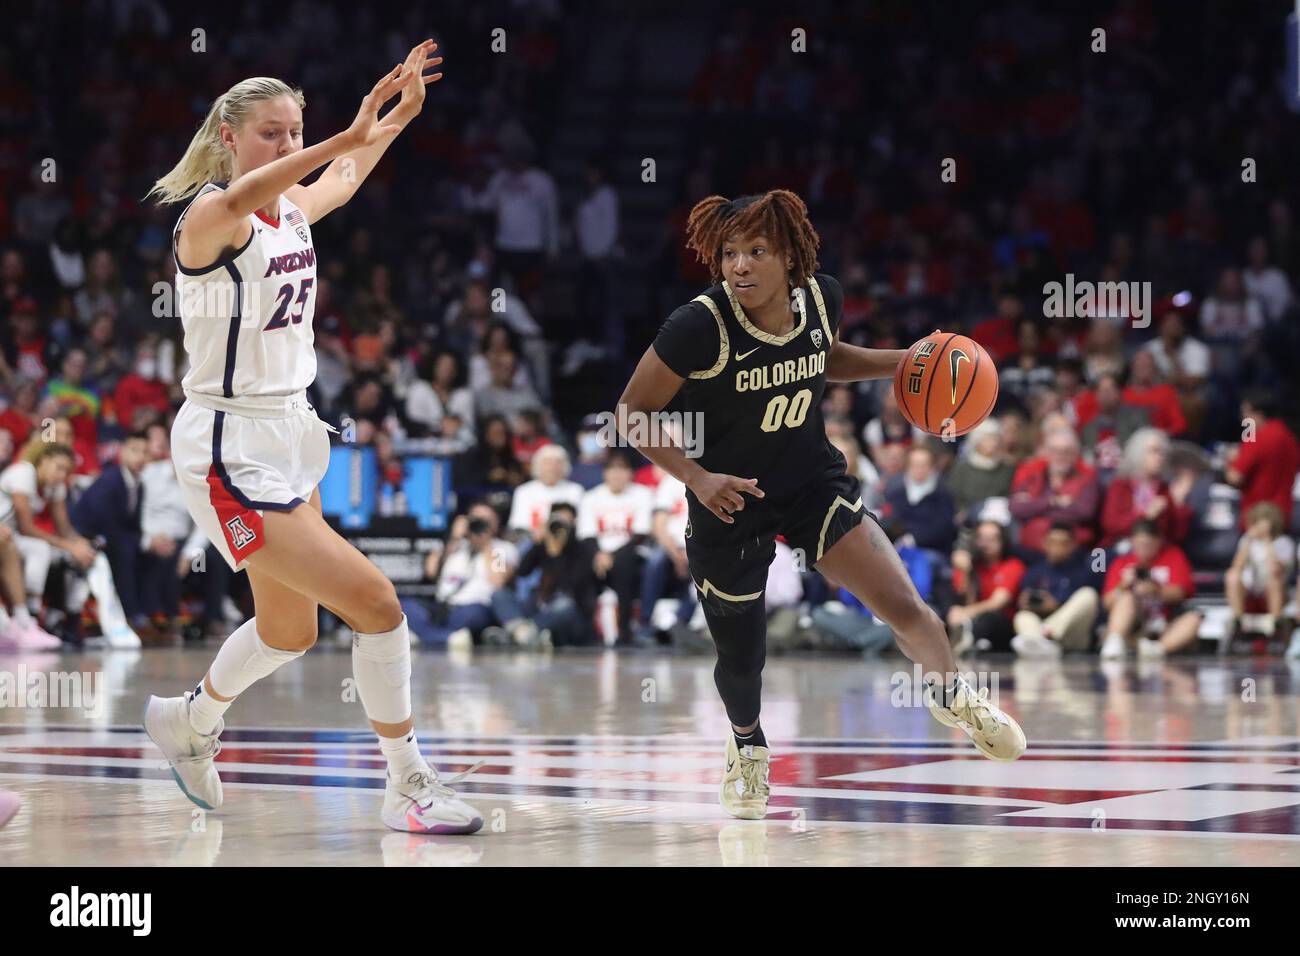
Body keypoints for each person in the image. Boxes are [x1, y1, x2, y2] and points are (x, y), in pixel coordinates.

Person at [142, 42, 484, 833]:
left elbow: (345, 176)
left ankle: (190, 722)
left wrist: (392, 124)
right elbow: (313, 168)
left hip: (292, 431)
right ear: (229, 138)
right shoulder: (208, 218)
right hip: (228, 446)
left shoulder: (290, 210)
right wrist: (347, 132)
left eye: (295, 132)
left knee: (290, 630)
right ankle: (407, 783)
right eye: (271, 133)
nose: (288, 148)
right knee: (377, 603)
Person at [616, 189, 1025, 819]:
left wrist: (909, 364)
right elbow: (631, 412)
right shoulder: (698, 325)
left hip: (810, 482)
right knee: (741, 656)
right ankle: (748, 746)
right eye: (729, 253)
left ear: (790, 258)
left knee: (906, 606)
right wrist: (697, 479)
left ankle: (952, 694)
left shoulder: (820, 297)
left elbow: (821, 356)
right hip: (730, 499)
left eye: (757, 251)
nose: (740, 266)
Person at [1098, 519, 1201, 659]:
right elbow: (1107, 602)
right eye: (1140, 544)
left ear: (1158, 541)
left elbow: (1181, 593)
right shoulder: (1121, 563)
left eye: (1148, 544)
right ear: (1132, 541)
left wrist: (1156, 591)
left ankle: (1157, 650)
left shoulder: (1174, 556)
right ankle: (1114, 643)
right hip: (1133, 625)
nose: (1143, 549)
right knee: (1126, 598)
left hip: (1165, 622)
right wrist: (1123, 586)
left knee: (1194, 618)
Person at [1011, 522, 1101, 657]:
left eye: (1063, 543)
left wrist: (1055, 605)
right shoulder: (1035, 571)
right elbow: (1025, 601)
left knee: (1088, 595)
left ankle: (1044, 635)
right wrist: (1027, 602)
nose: (1057, 548)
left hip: (1072, 636)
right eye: (1052, 542)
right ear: (1044, 543)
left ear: (1073, 545)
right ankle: (1041, 643)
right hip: (1042, 624)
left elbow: (1086, 608)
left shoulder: (1084, 570)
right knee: (1022, 616)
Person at [948, 521, 1025, 654]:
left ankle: (970, 640)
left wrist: (966, 612)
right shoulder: (972, 566)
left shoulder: (1013, 566)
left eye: (991, 539)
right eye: (981, 538)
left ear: (1002, 541)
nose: (985, 543)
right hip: (972, 618)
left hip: (1002, 624)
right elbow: (965, 600)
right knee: (951, 611)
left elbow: (997, 603)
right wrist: (967, 571)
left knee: (987, 619)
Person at [1226, 390, 1300, 530]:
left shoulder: (1256, 437)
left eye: (1246, 413)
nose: (1243, 419)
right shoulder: (1289, 437)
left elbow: (1234, 477)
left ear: (1258, 414)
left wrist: (1231, 460)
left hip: (1257, 518)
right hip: (1282, 516)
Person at [1225, 502, 1294, 645]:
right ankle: (1238, 621)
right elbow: (1236, 566)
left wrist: (1268, 541)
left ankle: (1276, 623)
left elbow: (1275, 570)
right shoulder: (1247, 541)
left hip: (1274, 591)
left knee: (1274, 580)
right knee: (1232, 575)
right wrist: (1249, 540)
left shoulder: (1284, 542)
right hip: (1250, 590)